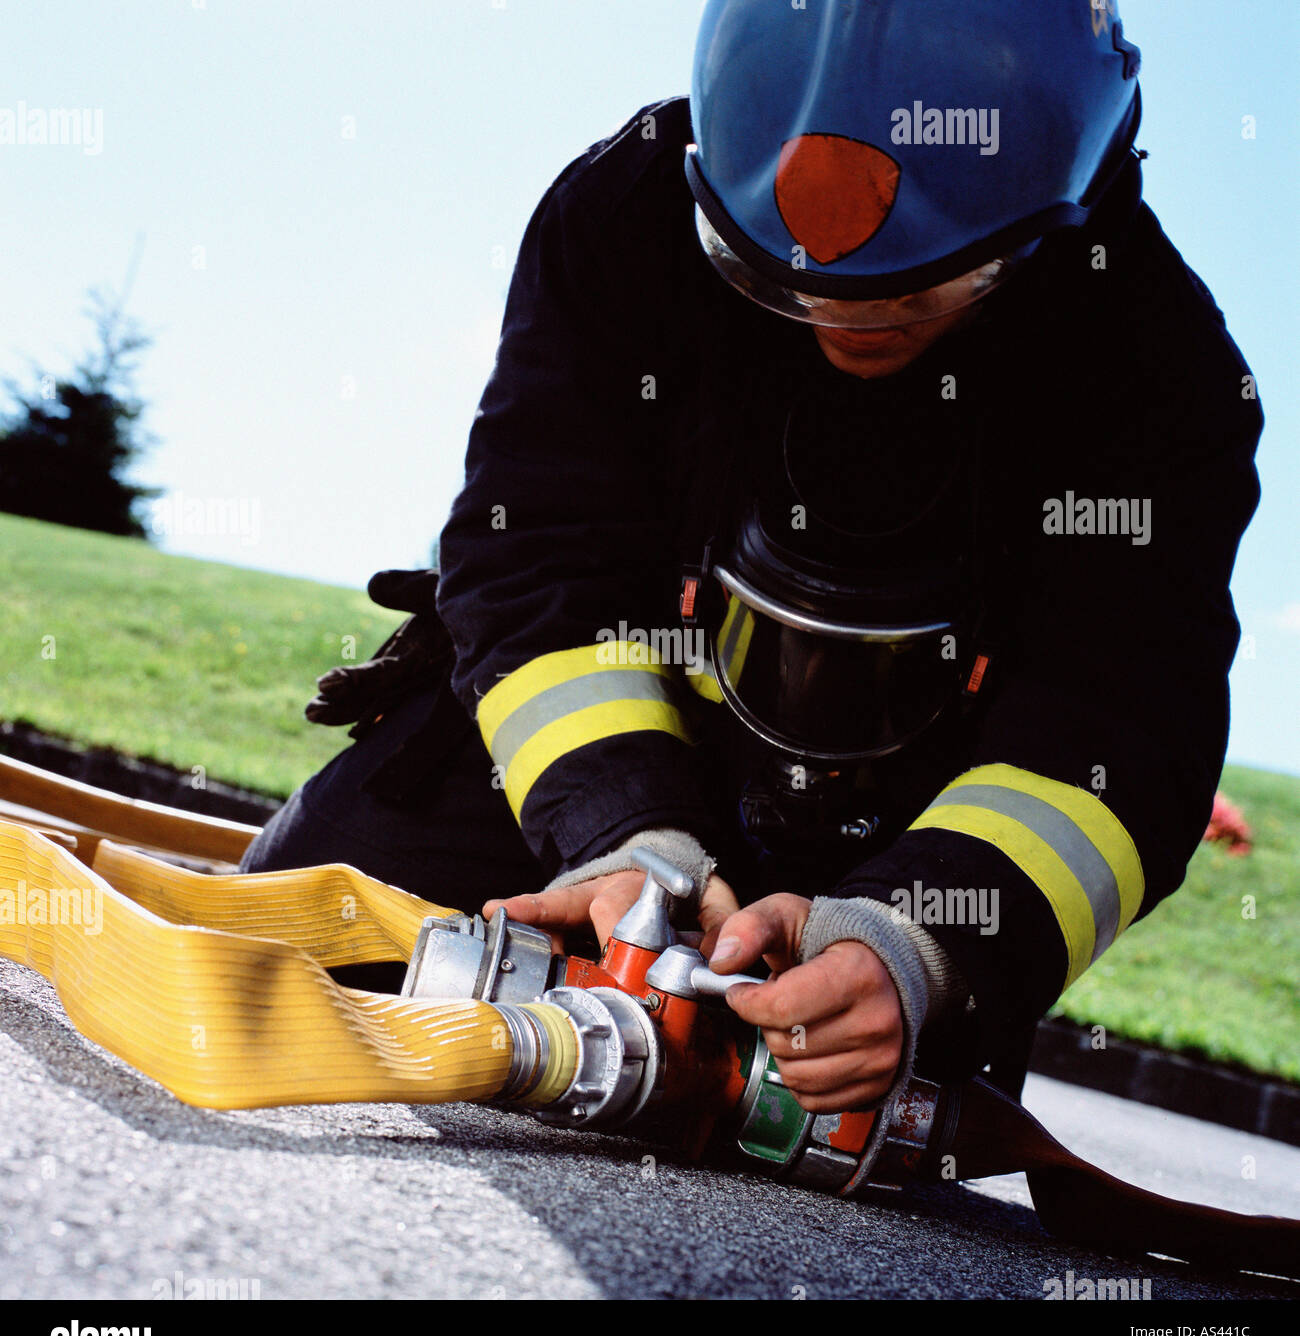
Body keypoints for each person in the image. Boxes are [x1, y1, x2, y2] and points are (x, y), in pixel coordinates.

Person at [243, 0, 1261, 1129]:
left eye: (915, 292)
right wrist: (623, 833)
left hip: (893, 863)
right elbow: (531, 555)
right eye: (782, 282)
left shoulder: (1161, 372)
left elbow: (1116, 729)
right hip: (575, 791)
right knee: (259, 961)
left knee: (860, 1181)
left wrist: (913, 945)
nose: (836, 313)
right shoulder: (628, 211)